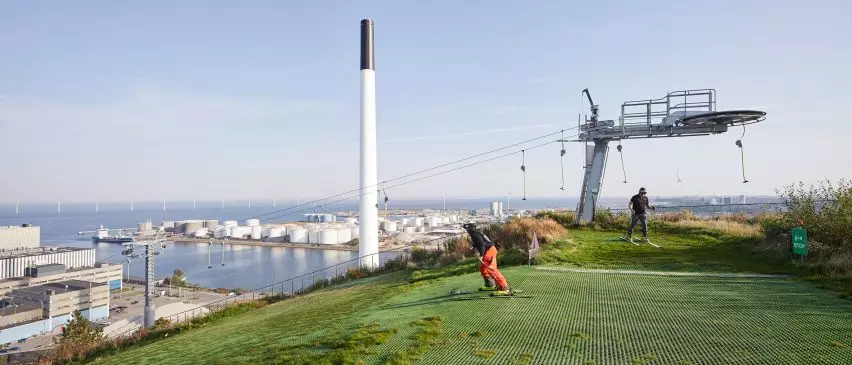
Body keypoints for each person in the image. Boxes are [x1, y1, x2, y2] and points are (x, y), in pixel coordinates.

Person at [463, 223, 511, 296]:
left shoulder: (475, 234)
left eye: (468, 228)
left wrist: (481, 255)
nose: (467, 230)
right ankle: (490, 284)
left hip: (489, 251)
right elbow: (479, 243)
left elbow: (482, 244)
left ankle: (504, 288)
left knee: (491, 269)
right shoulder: (476, 233)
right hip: (489, 250)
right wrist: (473, 247)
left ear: (471, 228)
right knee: (483, 268)